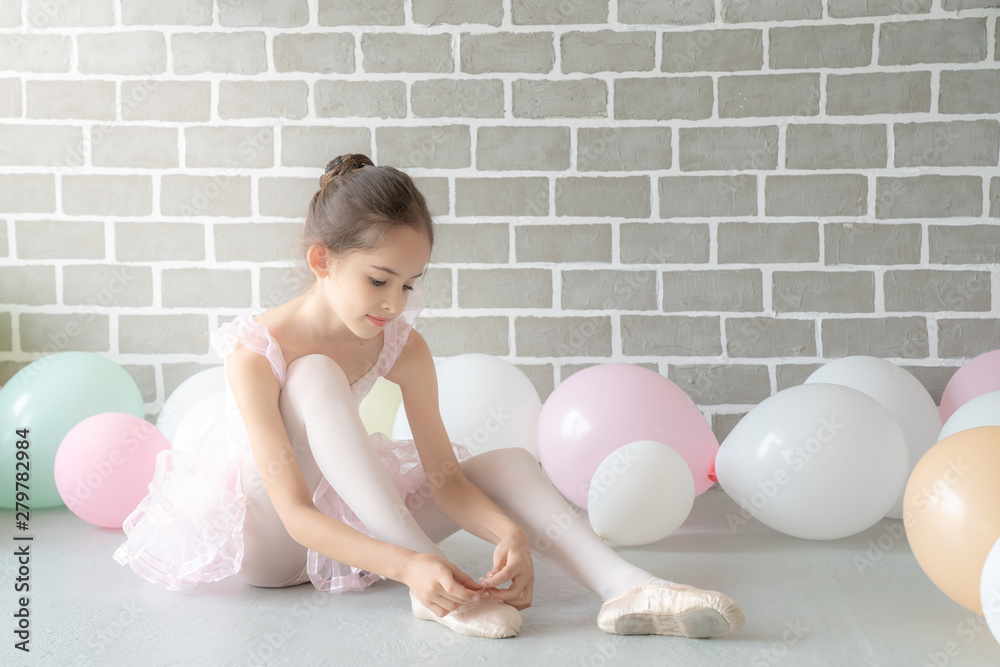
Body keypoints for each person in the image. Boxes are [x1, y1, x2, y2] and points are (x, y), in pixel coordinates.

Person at [113, 153, 745, 640]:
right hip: (272, 539)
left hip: (351, 519)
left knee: (509, 463)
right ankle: (430, 587)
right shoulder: (257, 351)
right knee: (313, 375)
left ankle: (626, 588)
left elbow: (445, 479)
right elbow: (297, 511)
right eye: (379, 280)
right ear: (321, 261)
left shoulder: (401, 346)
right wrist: (412, 565)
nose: (394, 304)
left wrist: (509, 532)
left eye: (410, 285)